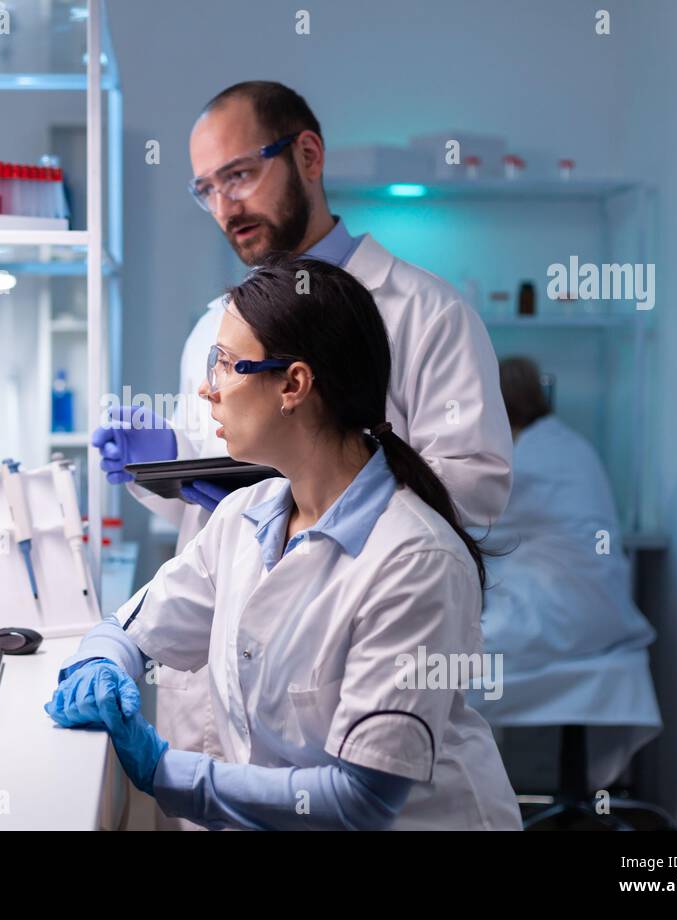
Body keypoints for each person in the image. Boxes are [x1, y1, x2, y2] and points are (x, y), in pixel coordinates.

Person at [91, 82, 513, 786]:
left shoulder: (425, 313)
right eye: (206, 189)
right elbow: (212, 515)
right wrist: (167, 469)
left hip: (347, 668)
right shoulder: (217, 323)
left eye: (239, 175)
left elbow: (474, 491)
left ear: (308, 156)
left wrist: (308, 487)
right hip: (222, 691)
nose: (226, 205)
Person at [50, 257, 521, 831]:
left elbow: (360, 798)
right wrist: (102, 664)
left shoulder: (414, 561)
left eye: (225, 364)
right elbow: (131, 628)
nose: (207, 388)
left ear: (294, 384)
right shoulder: (246, 515)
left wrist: (163, 772)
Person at [468, 357, 661, 790]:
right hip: (595, 614)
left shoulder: (525, 459)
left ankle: (461, 806)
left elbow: (466, 522)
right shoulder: (565, 443)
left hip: (562, 617)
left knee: (446, 671)